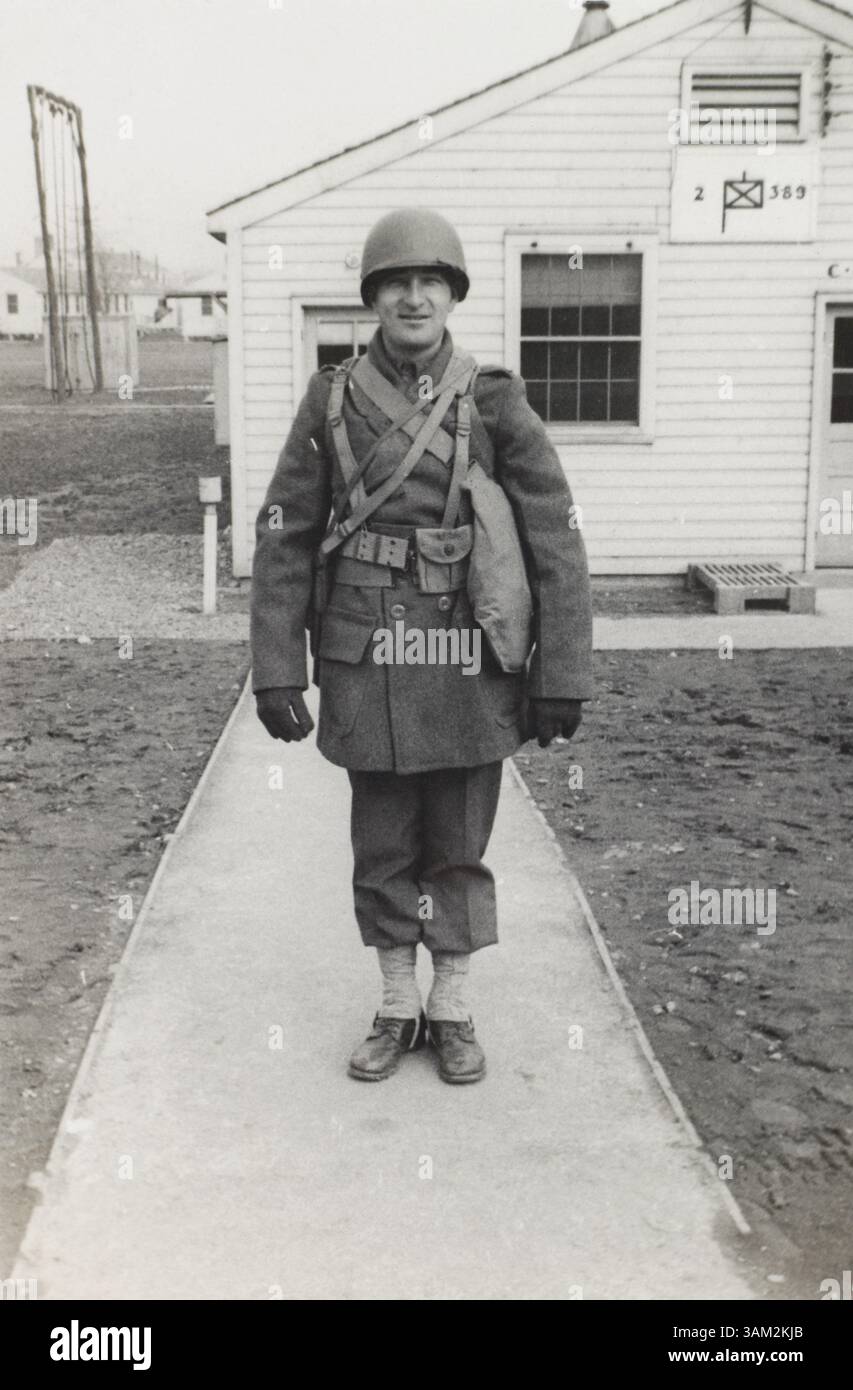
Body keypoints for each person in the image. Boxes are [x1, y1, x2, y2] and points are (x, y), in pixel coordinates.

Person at [251, 207, 593, 1084]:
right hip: (364, 657)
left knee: (458, 843)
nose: (412, 297)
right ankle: (397, 1003)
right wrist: (277, 668)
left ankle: (452, 1007)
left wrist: (560, 672)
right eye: (394, 283)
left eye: (428, 282)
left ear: (451, 295)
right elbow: (285, 532)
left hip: (467, 656)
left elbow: (553, 534)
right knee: (384, 844)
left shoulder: (492, 398)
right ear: (371, 298)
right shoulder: (330, 398)